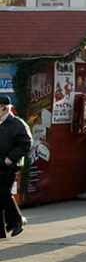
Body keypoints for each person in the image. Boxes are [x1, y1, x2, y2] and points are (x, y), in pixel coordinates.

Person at [0, 96, 31, 239]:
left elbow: (26, 143)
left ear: (4, 108)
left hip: (8, 166)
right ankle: (6, 227)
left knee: (3, 193)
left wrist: (10, 158)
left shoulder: (16, 124)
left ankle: (17, 220)